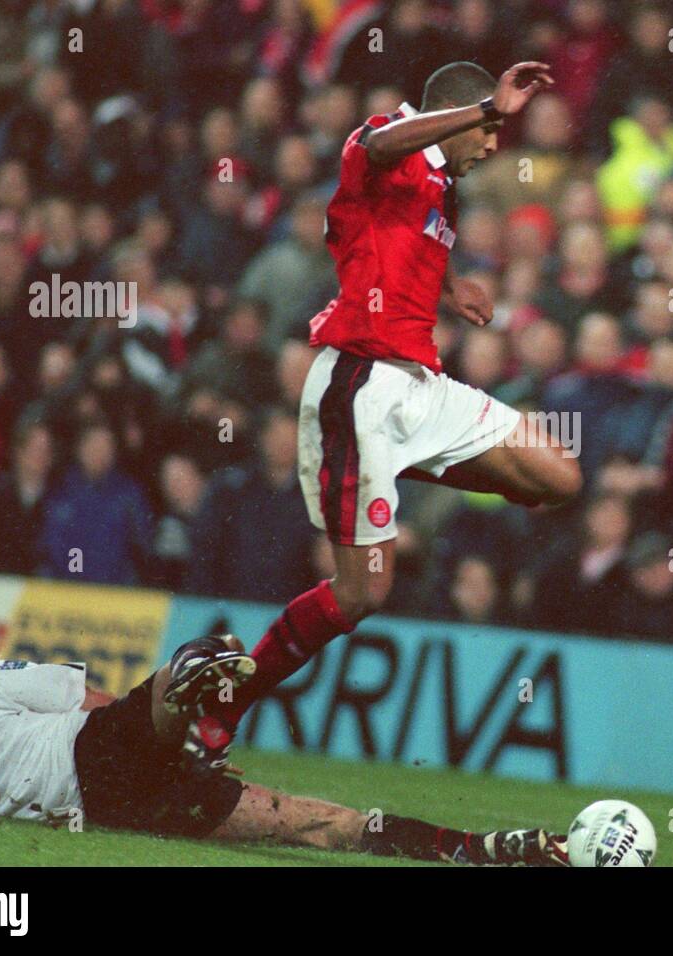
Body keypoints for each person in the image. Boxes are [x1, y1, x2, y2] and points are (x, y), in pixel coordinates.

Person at [249, 62, 582, 755]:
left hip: (422, 388)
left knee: (559, 477)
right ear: (462, 113)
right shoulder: (380, 139)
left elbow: (412, 243)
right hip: (360, 385)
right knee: (362, 594)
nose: (492, 147)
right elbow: (379, 151)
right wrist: (488, 105)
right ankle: (231, 700)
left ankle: (395, 470)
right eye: (489, 131)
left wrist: (454, 287)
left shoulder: (443, 189)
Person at [0, 606, 567, 866]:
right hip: (98, 756)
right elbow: (84, 698)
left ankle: (480, 851)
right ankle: (197, 695)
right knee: (173, 685)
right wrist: (153, 729)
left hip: (109, 808)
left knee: (308, 827)